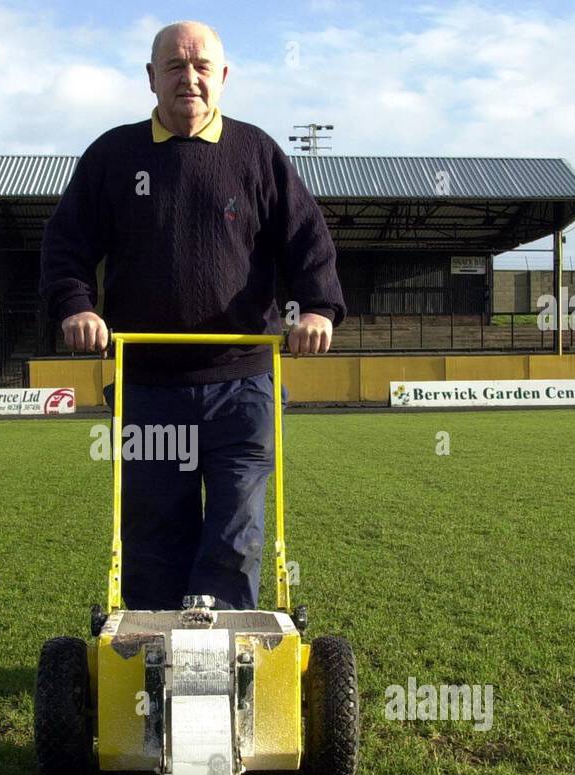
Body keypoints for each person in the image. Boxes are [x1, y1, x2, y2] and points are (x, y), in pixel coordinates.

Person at [39, 20, 345, 611]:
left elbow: (308, 239)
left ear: (223, 77)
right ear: (151, 78)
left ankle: (225, 672)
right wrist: (76, 305)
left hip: (244, 386)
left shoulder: (257, 153)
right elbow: (65, 245)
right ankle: (153, 663)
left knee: (235, 535)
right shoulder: (112, 155)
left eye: (202, 66)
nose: (190, 79)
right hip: (148, 387)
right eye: (175, 67)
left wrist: (318, 309)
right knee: (154, 535)